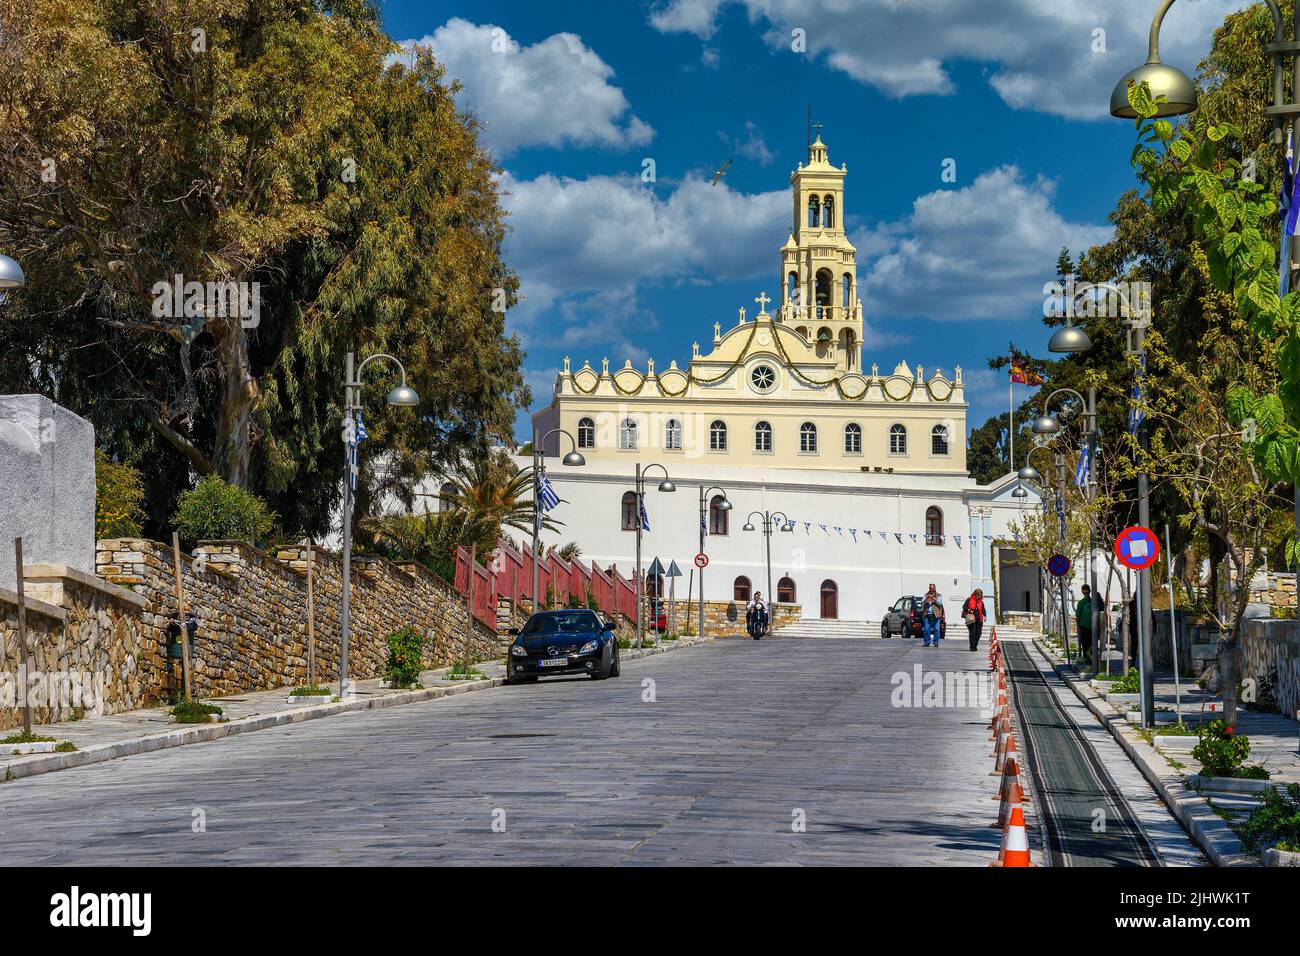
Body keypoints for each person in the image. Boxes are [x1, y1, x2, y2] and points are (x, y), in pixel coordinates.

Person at [1075, 585, 1093, 659]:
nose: (1086, 594)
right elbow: (1078, 616)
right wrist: (1078, 627)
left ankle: (1091, 659)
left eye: (1087, 592)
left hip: (1092, 626)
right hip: (1083, 626)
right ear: (1082, 592)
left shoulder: (1093, 602)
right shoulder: (1081, 603)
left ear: (1089, 591)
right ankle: (1086, 658)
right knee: (1085, 644)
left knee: (1091, 644)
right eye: (1084, 593)